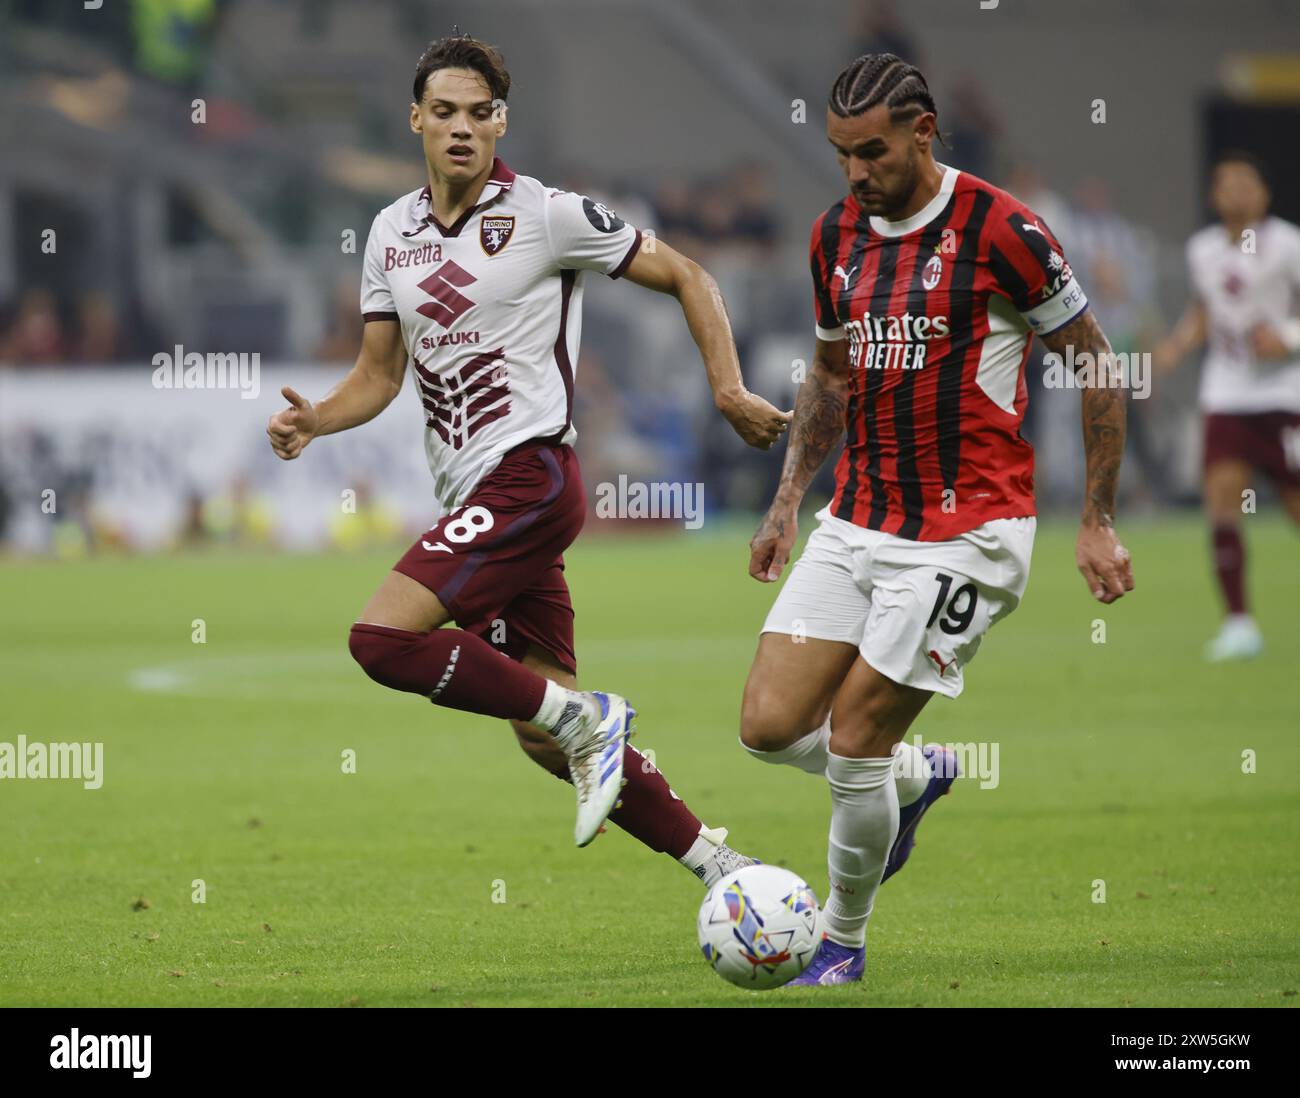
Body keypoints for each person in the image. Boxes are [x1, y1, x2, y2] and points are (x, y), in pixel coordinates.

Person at [266, 35, 789, 883]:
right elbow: (378, 373)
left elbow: (690, 274)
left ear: (501, 122)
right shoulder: (390, 231)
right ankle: (720, 864)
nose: (462, 129)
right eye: (444, 113)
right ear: (416, 120)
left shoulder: (550, 215)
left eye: (479, 113)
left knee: (379, 640)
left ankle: (588, 720)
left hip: (532, 476)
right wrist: (318, 419)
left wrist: (727, 388)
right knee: (546, 739)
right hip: (474, 496)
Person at [740, 53, 1134, 985]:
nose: (854, 173)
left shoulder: (1005, 228)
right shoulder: (836, 233)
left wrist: (1099, 519)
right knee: (767, 725)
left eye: (870, 151)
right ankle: (921, 779)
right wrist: (789, 499)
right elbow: (832, 376)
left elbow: (1097, 361)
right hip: (859, 517)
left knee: (854, 741)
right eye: (840, 153)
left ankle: (841, 940)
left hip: (969, 533)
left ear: (923, 131)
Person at [1155, 151, 1300, 660]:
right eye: (1226, 184)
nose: (1236, 191)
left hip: (1285, 395)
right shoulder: (1202, 251)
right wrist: (1175, 346)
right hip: (1228, 393)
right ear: (1214, 196)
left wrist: (1286, 336)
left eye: (1246, 182)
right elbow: (1203, 311)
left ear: (1264, 192)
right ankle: (1239, 623)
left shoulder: (1288, 244)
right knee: (1222, 503)